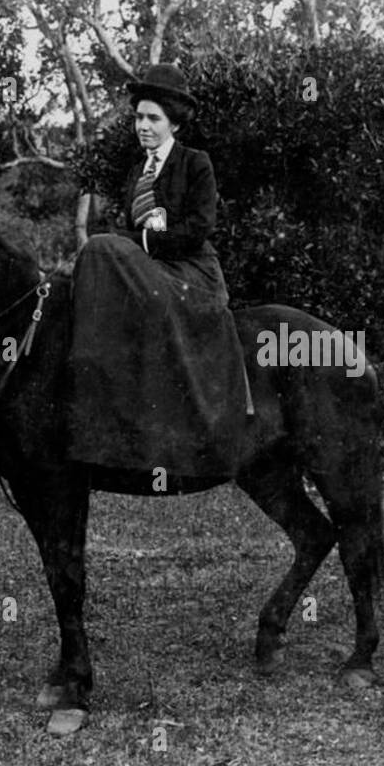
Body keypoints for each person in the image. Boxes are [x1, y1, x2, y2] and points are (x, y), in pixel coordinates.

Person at [66, 64, 249, 479]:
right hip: (148, 273)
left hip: (191, 275)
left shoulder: (195, 164)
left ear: (174, 123)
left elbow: (198, 229)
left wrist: (139, 243)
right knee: (98, 255)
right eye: (138, 117)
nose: (142, 126)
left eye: (153, 119)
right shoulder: (137, 173)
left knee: (100, 246)